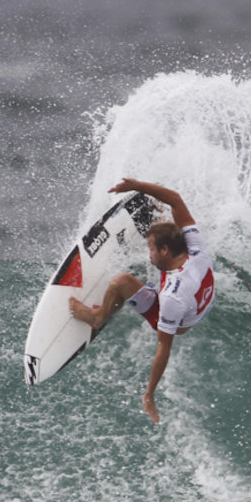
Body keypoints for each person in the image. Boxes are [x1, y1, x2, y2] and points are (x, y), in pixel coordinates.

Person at [69, 178, 215, 423]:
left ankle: (97, 317)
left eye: (151, 249)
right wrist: (138, 186)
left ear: (165, 251)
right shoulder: (196, 247)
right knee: (162, 223)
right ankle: (155, 221)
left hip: (180, 319)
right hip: (196, 298)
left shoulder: (170, 297)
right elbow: (176, 199)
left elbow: (164, 348)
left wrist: (150, 394)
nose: (148, 253)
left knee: (121, 282)